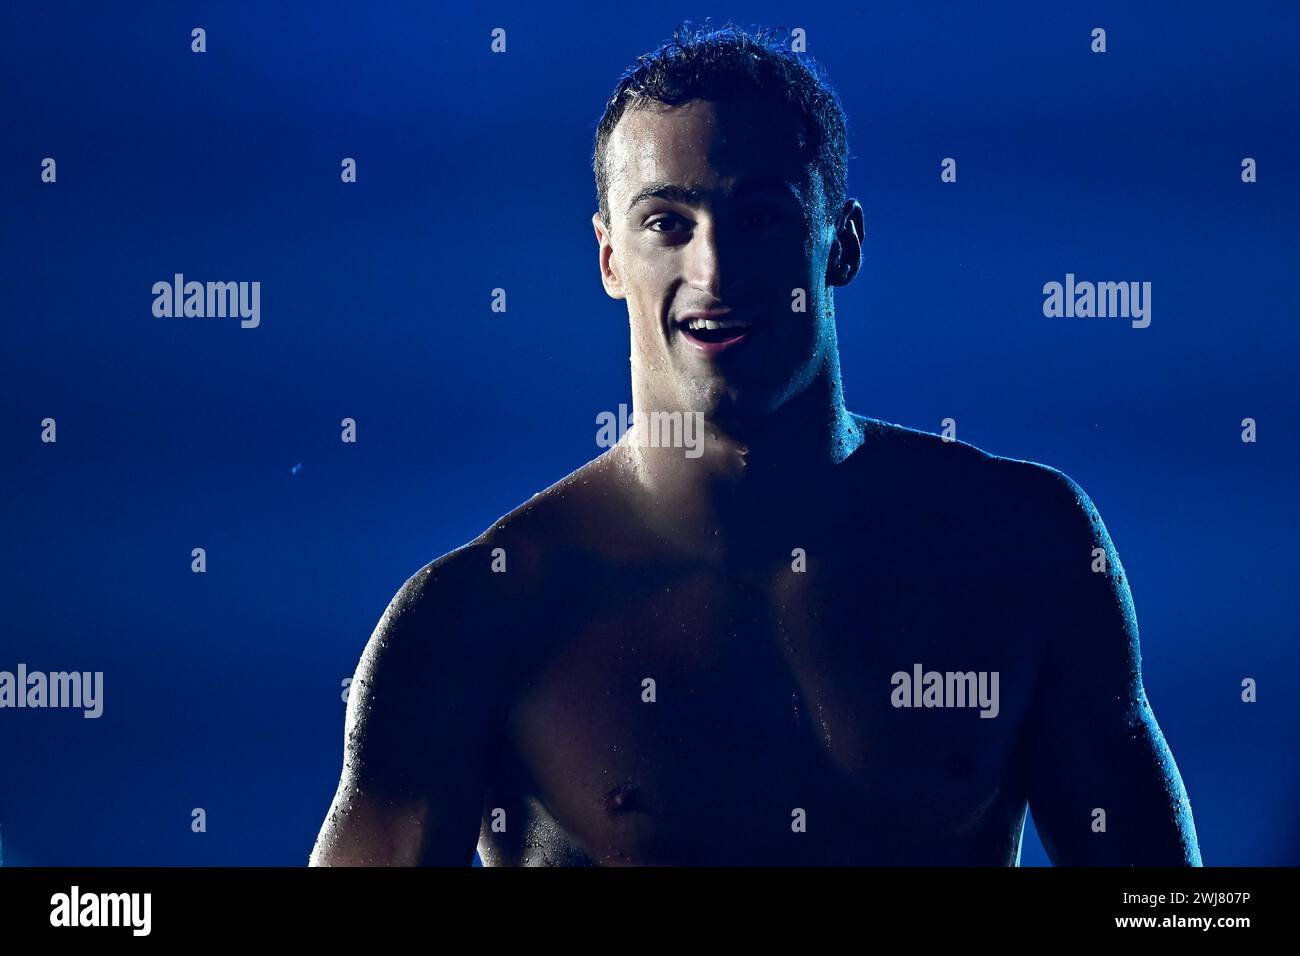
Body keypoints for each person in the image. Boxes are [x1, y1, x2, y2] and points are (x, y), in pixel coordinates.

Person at [309, 23, 1201, 866]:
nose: (715, 271)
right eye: (668, 222)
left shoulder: (1021, 545)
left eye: (761, 216)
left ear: (840, 244)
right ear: (611, 256)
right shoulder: (475, 618)